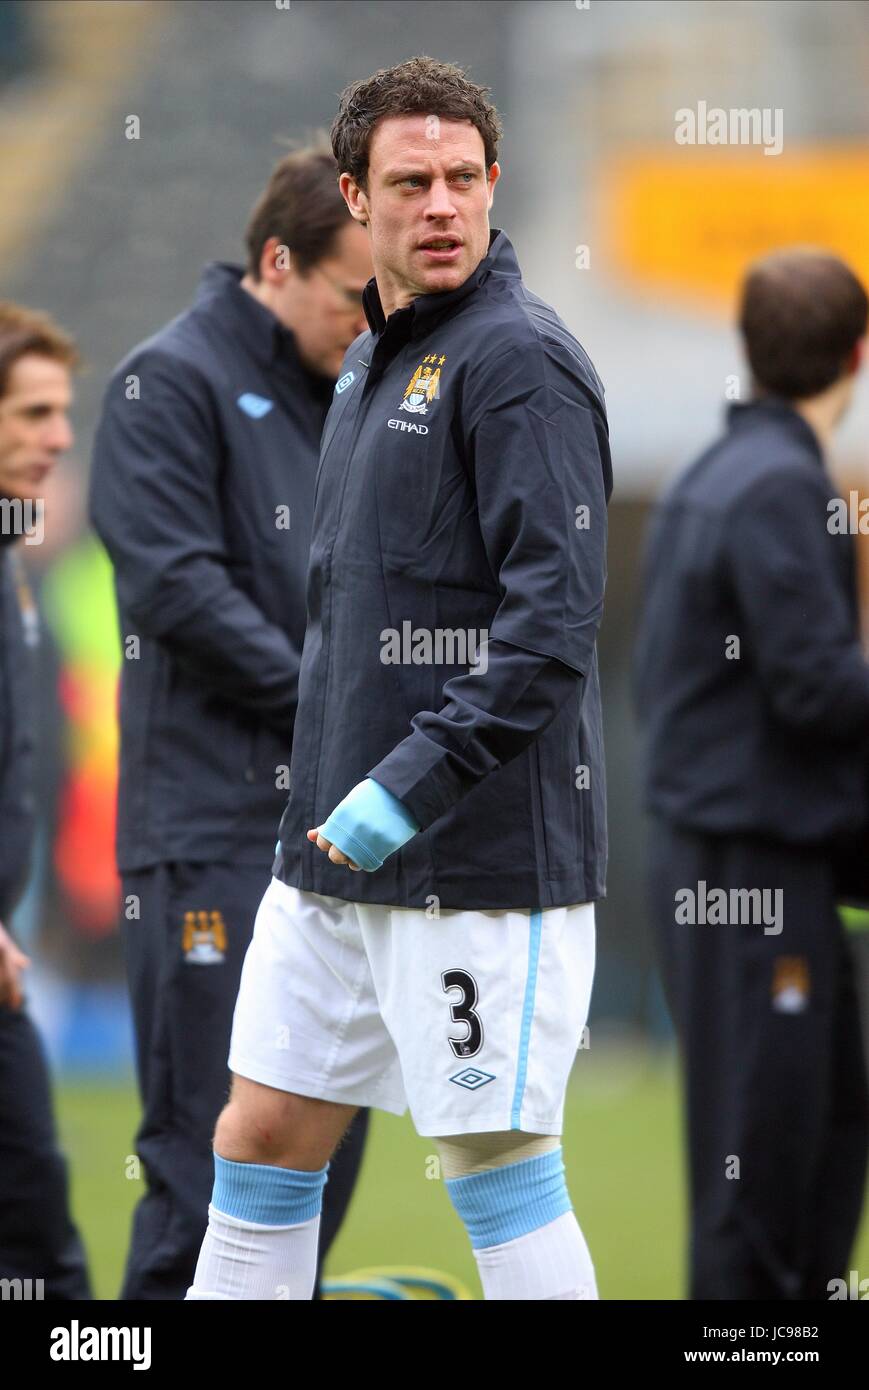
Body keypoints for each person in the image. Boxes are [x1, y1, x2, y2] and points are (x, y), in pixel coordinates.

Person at [186, 56, 612, 1304]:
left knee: (492, 1162)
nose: (440, 205)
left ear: (495, 184)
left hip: (469, 864)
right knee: (258, 1133)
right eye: (410, 181)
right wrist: (331, 809)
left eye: (462, 179)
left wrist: (403, 790)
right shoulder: (375, 357)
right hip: (327, 857)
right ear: (353, 197)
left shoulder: (520, 360)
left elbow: (551, 625)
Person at [89, 145, 373, 1301]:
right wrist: (340, 708)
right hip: (205, 833)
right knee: (208, 1160)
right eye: (356, 290)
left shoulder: (353, 398)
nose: (374, 318)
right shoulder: (168, 382)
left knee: (318, 1154)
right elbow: (175, 589)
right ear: (277, 262)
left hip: (322, 838)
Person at [635, 249, 869, 1300]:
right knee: (765, 1176)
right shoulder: (778, 485)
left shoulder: (708, 472)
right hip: (753, 875)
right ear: (857, 356)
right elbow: (816, 688)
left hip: (736, 865)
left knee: (803, 1155)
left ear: (745, 347)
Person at [0, 301, 91, 1299]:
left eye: (60, 414)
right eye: (30, 414)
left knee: (38, 1237)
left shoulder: (19, 565)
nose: (58, 437)